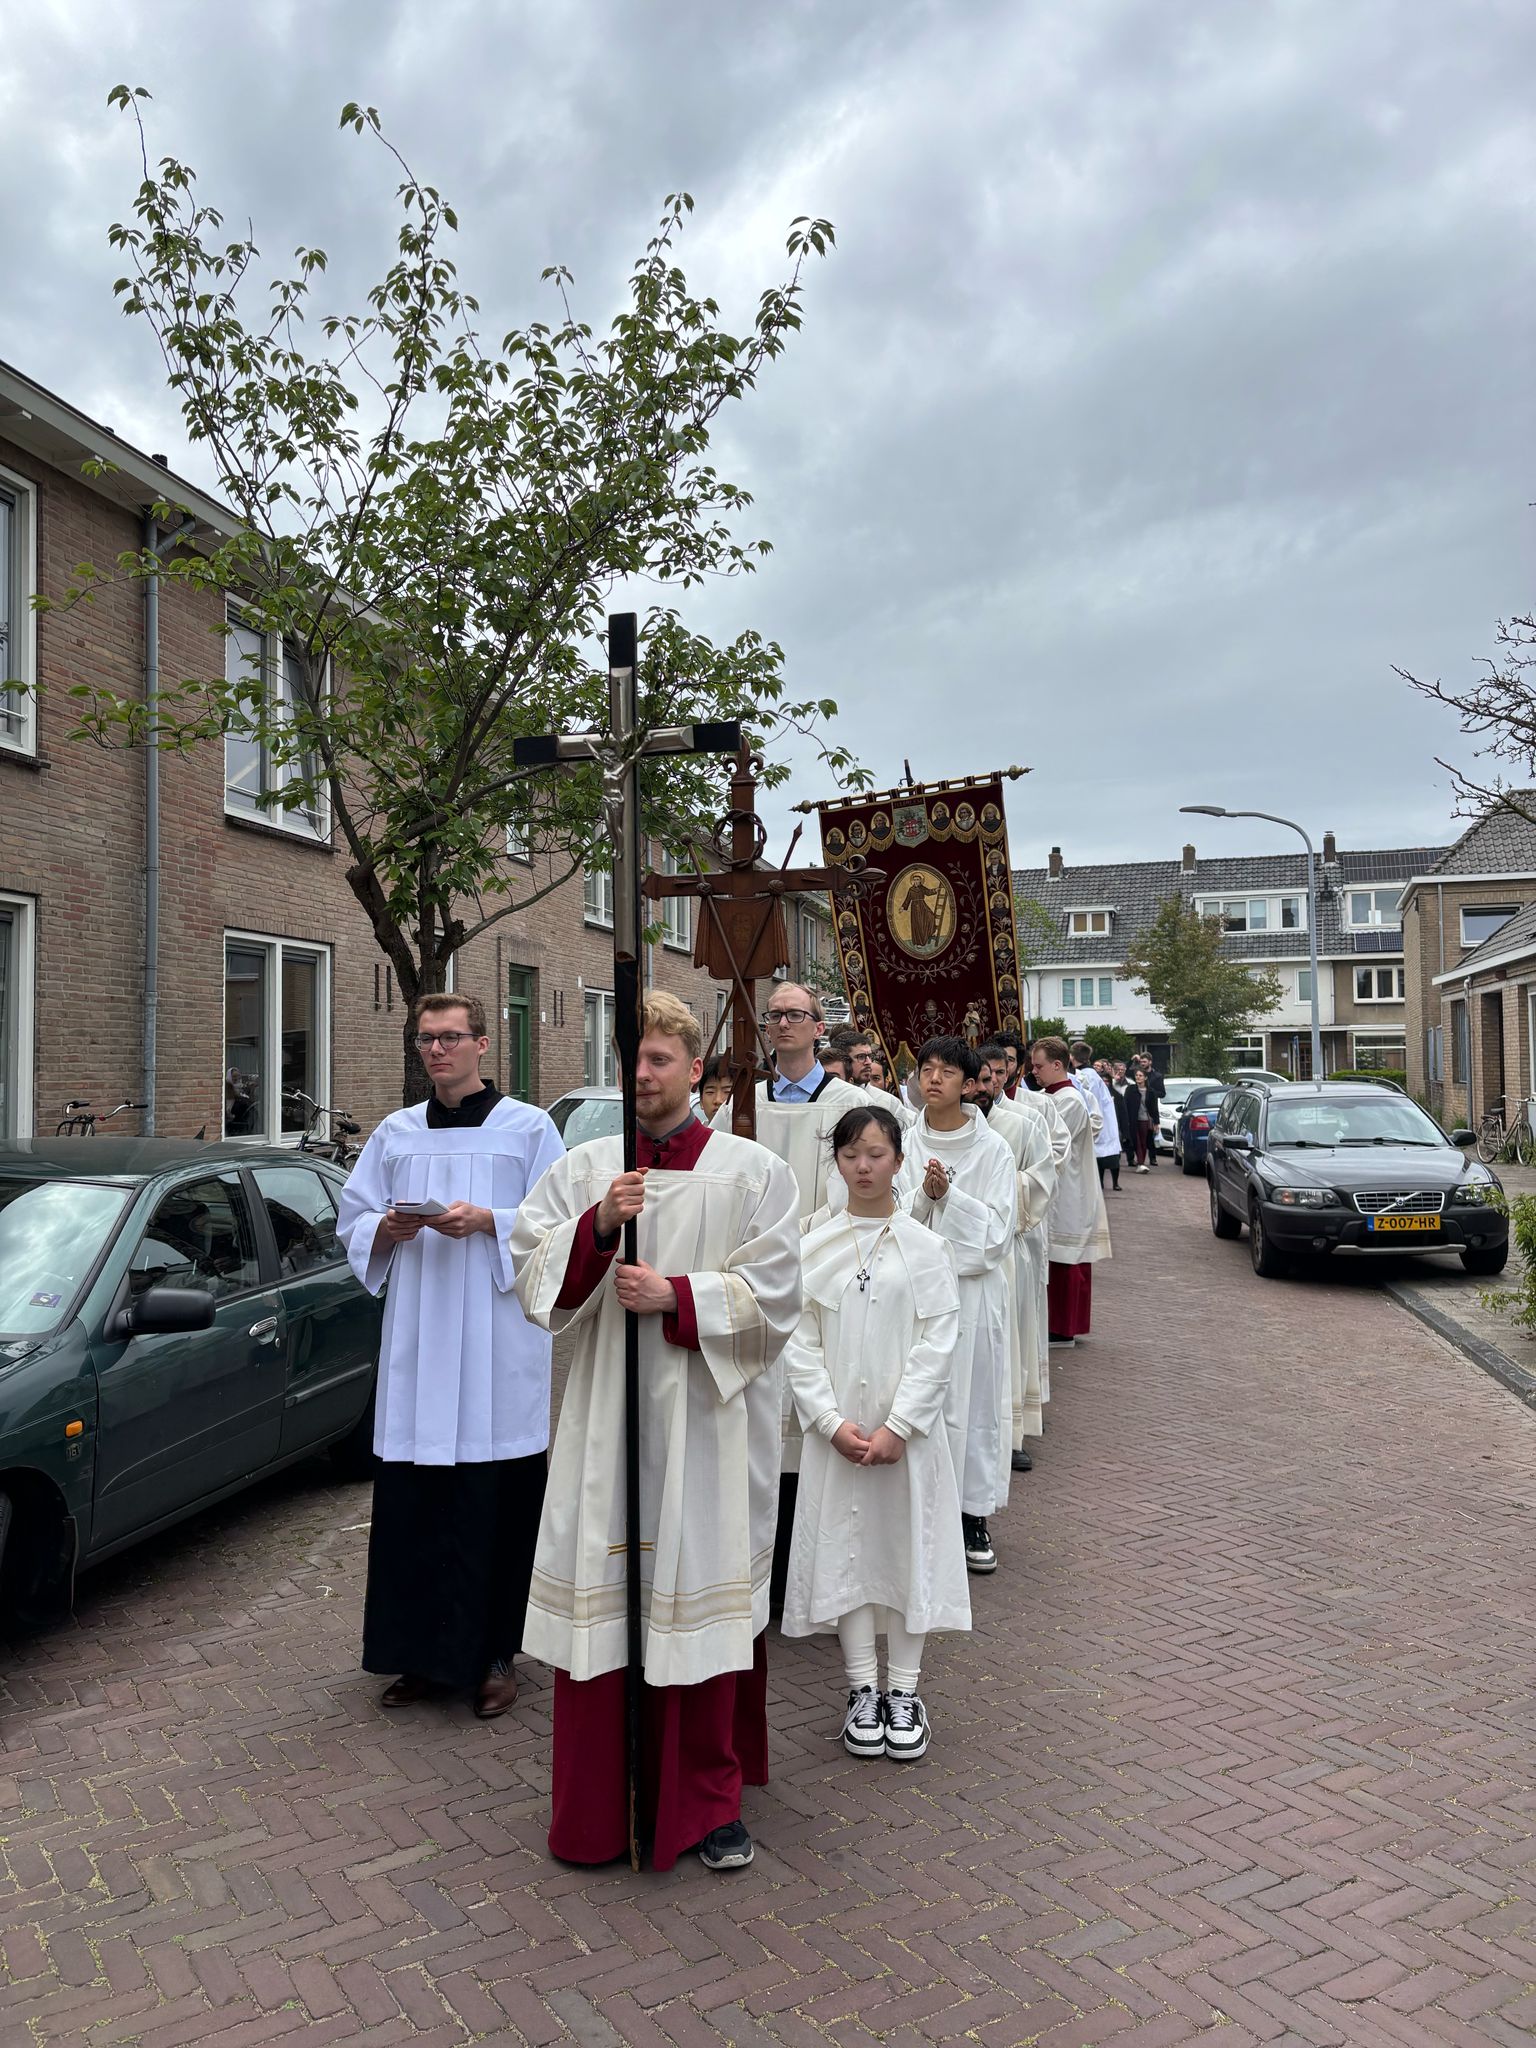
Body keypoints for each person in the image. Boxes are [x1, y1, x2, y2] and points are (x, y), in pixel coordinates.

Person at [511, 992, 801, 1873]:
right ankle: (598, 1808)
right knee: (611, 1608)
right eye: (633, 1059)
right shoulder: (587, 1166)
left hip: (703, 1425)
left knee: (697, 1604)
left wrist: (677, 1294)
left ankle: (706, 1805)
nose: (643, 1075)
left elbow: (780, 1294)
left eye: (661, 1061)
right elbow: (532, 1272)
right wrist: (598, 1226)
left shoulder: (752, 1173)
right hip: (608, 1422)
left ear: (693, 1069)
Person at [335, 993, 565, 1720]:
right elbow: (353, 1216)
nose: (436, 1050)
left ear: (482, 1044)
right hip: (420, 1340)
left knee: (491, 1504)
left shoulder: (527, 1130)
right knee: (416, 1506)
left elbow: (560, 1223)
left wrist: (490, 1221)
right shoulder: (396, 1132)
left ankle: (496, 1655)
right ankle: (421, 1656)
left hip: (497, 1345)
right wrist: (387, 1229)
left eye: (450, 1037)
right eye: (426, 1039)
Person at [783, 1105, 969, 1763]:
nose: (864, 1167)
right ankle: (862, 1688)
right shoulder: (815, 1245)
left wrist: (900, 1424)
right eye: (851, 1154)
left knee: (902, 1552)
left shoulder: (925, 1247)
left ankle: (905, 1692)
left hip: (905, 1440)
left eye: (877, 1154)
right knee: (847, 1555)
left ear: (899, 1159)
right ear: (835, 1161)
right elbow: (797, 1341)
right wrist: (831, 1423)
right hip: (839, 1436)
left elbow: (937, 1338)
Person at [711, 983, 866, 1609]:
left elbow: (849, 1193)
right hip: (753, 1285)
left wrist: (791, 1243)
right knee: (757, 1434)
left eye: (795, 1015)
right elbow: (719, 1182)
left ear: (818, 1025)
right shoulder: (740, 1105)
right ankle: (758, 1574)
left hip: (820, 1280)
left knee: (813, 1426)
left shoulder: (852, 1105)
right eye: (773, 1016)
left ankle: (813, 1572)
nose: (782, 1025)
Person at [895, 1036, 1016, 1577]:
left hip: (970, 1294)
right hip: (915, 1291)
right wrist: (925, 1197)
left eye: (946, 1071)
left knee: (971, 1406)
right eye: (926, 1069)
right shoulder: (901, 1141)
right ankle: (915, 1515)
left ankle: (971, 1517)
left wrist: (951, 1197)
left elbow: (996, 1235)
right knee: (916, 1400)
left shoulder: (994, 1151)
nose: (933, 1079)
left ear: (970, 1085)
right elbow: (893, 1216)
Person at [975, 1041, 1057, 1472]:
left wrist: (994, 1194)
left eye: (995, 1076)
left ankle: (1011, 1435)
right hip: (957, 1252)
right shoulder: (933, 1128)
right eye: (981, 1078)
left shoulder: (1023, 1124)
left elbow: (1042, 1180)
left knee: (1011, 1340)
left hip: (1010, 1247)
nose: (989, 1085)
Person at [1030, 1035, 1111, 1346]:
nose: (1034, 1072)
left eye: (1039, 1066)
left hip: (1068, 1192)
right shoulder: (1053, 1096)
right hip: (1062, 1190)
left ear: (1057, 1065)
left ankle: (1063, 1330)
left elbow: (1046, 1142)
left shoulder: (1069, 1100)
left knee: (1066, 1261)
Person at [1070, 1040, 1123, 1194]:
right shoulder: (1092, 1075)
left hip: (1095, 1126)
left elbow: (1087, 1103)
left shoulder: (1086, 1077)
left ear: (1072, 1057)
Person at [695, 1053, 732, 1123]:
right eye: (710, 1092)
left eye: (727, 1092)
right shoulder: (693, 1134)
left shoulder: (757, 1133)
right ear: (701, 1101)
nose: (718, 1100)